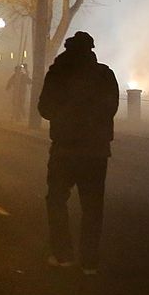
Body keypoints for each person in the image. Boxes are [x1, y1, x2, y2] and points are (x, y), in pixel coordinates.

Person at [38, 31, 119, 275]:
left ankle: (63, 254)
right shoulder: (105, 74)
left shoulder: (58, 72)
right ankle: (89, 262)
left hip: (66, 147)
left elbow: (45, 109)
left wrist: (66, 116)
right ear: (91, 50)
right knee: (93, 207)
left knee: (56, 200)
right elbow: (111, 107)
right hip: (95, 150)